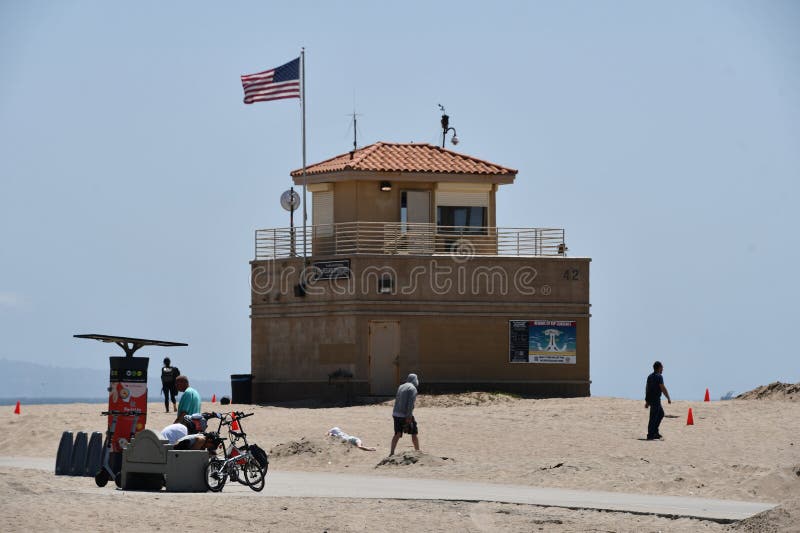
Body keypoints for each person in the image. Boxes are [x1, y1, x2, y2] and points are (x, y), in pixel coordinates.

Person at [390, 373, 420, 455]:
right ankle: (417, 451)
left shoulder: (401, 386)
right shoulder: (413, 388)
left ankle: (392, 452)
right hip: (405, 414)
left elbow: (397, 400)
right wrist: (409, 416)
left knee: (397, 433)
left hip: (396, 414)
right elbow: (410, 404)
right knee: (414, 433)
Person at [645, 360, 672, 440]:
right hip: (655, 399)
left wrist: (647, 400)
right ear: (659, 368)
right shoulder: (659, 376)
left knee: (660, 414)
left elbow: (647, 388)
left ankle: (655, 432)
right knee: (653, 417)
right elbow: (662, 388)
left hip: (651, 399)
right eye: (662, 367)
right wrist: (668, 397)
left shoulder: (650, 376)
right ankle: (650, 434)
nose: (663, 369)